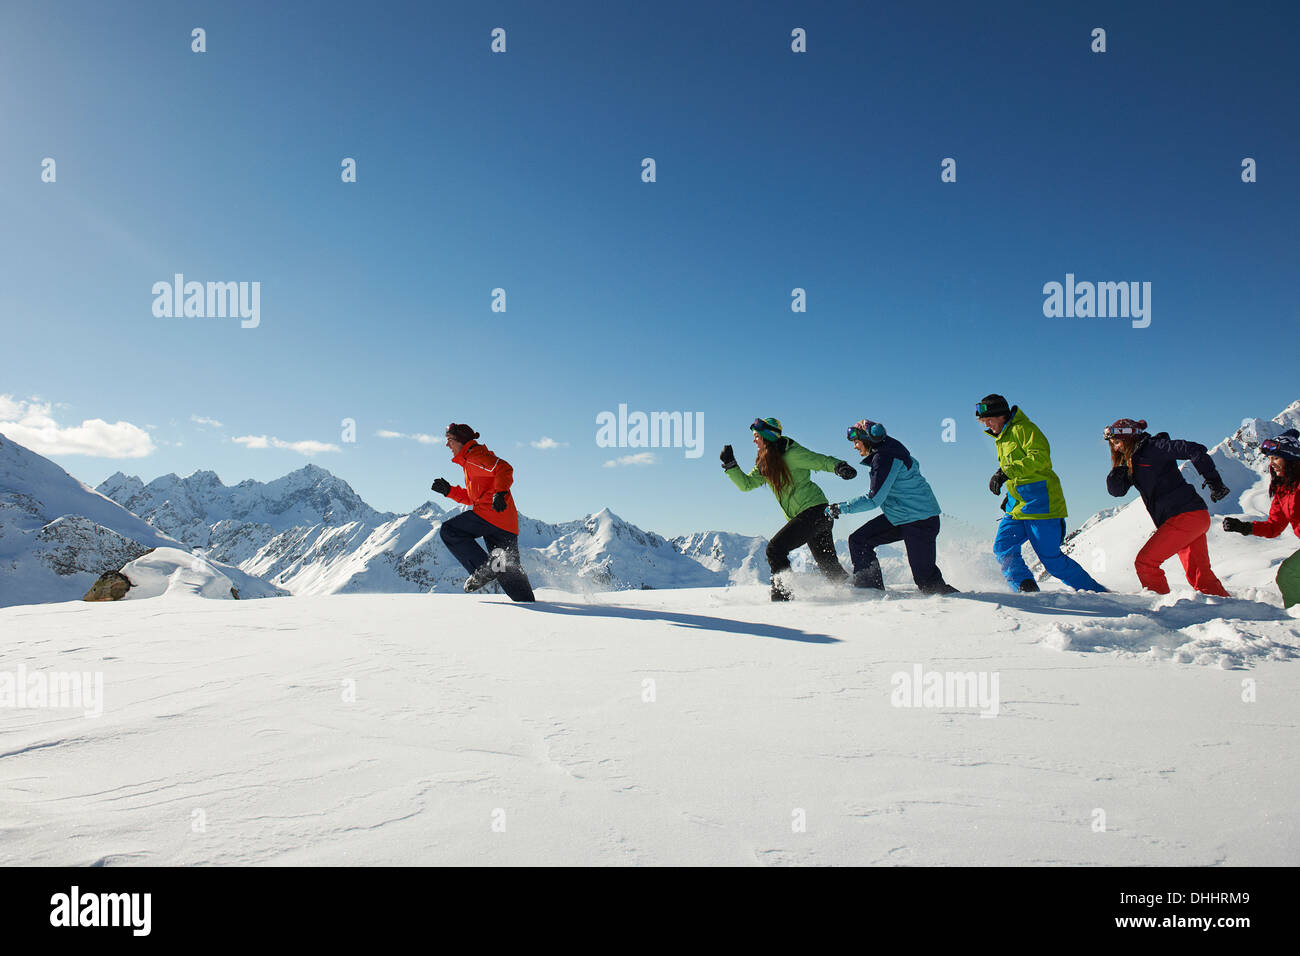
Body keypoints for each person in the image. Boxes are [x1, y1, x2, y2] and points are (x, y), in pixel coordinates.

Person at [976, 394, 1106, 593]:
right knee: (1003, 547)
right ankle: (1024, 587)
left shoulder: (1024, 429)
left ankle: (1096, 593)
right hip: (1017, 505)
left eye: (989, 419)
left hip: (1041, 504)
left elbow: (1040, 459)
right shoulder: (1002, 437)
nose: (986, 424)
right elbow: (1021, 473)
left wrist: (1005, 472)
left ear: (1002, 415)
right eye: (983, 421)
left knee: (1051, 560)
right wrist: (1010, 492)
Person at [721, 417, 854, 601]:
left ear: (767, 436)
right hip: (813, 515)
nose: (754, 440)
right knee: (828, 566)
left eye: (756, 436)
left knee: (775, 549)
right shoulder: (765, 463)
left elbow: (819, 460)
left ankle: (782, 598)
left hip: (815, 511)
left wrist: (839, 466)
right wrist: (731, 466)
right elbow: (747, 484)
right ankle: (856, 591)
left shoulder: (791, 453)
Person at [825, 419, 958, 595]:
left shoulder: (886, 457)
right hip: (901, 516)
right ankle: (869, 590)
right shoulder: (890, 453)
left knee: (927, 582)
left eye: (856, 442)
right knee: (859, 540)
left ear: (869, 439)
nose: (855, 446)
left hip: (920, 520)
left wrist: (841, 507)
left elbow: (874, 499)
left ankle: (962, 606)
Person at [1104, 418, 1231, 597]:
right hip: (1192, 516)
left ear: (1129, 438)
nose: (1115, 447)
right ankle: (1226, 611)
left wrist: (1214, 481)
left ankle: (1162, 610)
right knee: (1200, 577)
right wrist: (1120, 468)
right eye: (1112, 444)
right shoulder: (1133, 460)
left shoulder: (1154, 448)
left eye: (1117, 442)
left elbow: (1193, 449)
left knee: (1145, 563)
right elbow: (1117, 491)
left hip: (1185, 516)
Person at [431, 423, 535, 602]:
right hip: (505, 522)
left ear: (461, 441)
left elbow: (504, 468)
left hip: (490, 515)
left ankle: (483, 569)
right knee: (506, 569)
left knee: (450, 531)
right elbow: (474, 497)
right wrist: (449, 491)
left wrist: (500, 493)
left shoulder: (474, 458)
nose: (447, 445)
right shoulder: (471, 461)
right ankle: (529, 603)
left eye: (449, 440)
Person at [1223, 429, 1300, 609]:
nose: (1271, 463)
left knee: (1289, 574)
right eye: (1270, 459)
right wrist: (1244, 527)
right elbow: (1273, 527)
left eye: (1276, 458)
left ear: (1290, 459)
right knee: (1288, 576)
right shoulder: (1283, 490)